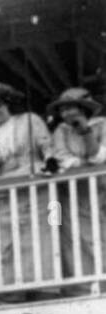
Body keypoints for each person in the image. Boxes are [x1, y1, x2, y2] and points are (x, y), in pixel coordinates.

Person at [0, 82, 56, 299]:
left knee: (38, 236)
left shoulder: (29, 120)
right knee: (3, 237)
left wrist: (50, 160)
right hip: (6, 190)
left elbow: (46, 145)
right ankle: (12, 288)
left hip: (33, 182)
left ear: (7, 104)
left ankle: (43, 288)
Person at [47, 87, 106, 289]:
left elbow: (99, 156)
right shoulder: (61, 131)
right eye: (63, 109)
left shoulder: (102, 125)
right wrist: (84, 165)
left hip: (99, 190)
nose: (66, 113)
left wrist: (85, 132)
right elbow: (62, 158)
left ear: (83, 108)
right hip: (73, 193)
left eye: (71, 107)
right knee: (76, 238)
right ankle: (85, 285)